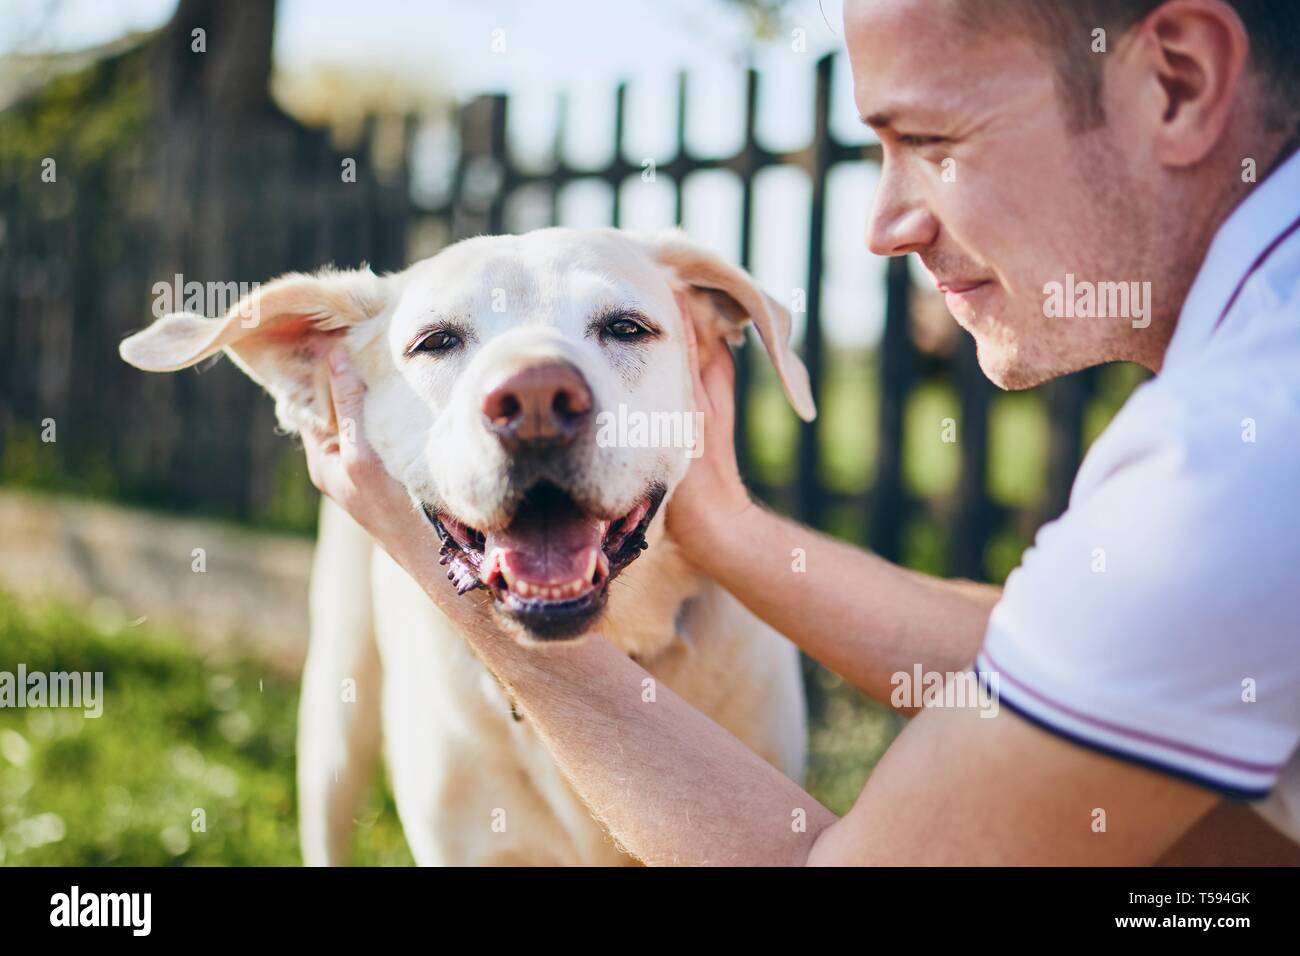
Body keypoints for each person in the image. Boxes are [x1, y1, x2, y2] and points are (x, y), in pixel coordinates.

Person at [300, 0, 1300, 864]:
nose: (885, 224)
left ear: (1175, 82)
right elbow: (1076, 674)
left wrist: (472, 597)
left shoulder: (1229, 459)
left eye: (933, 142)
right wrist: (726, 527)